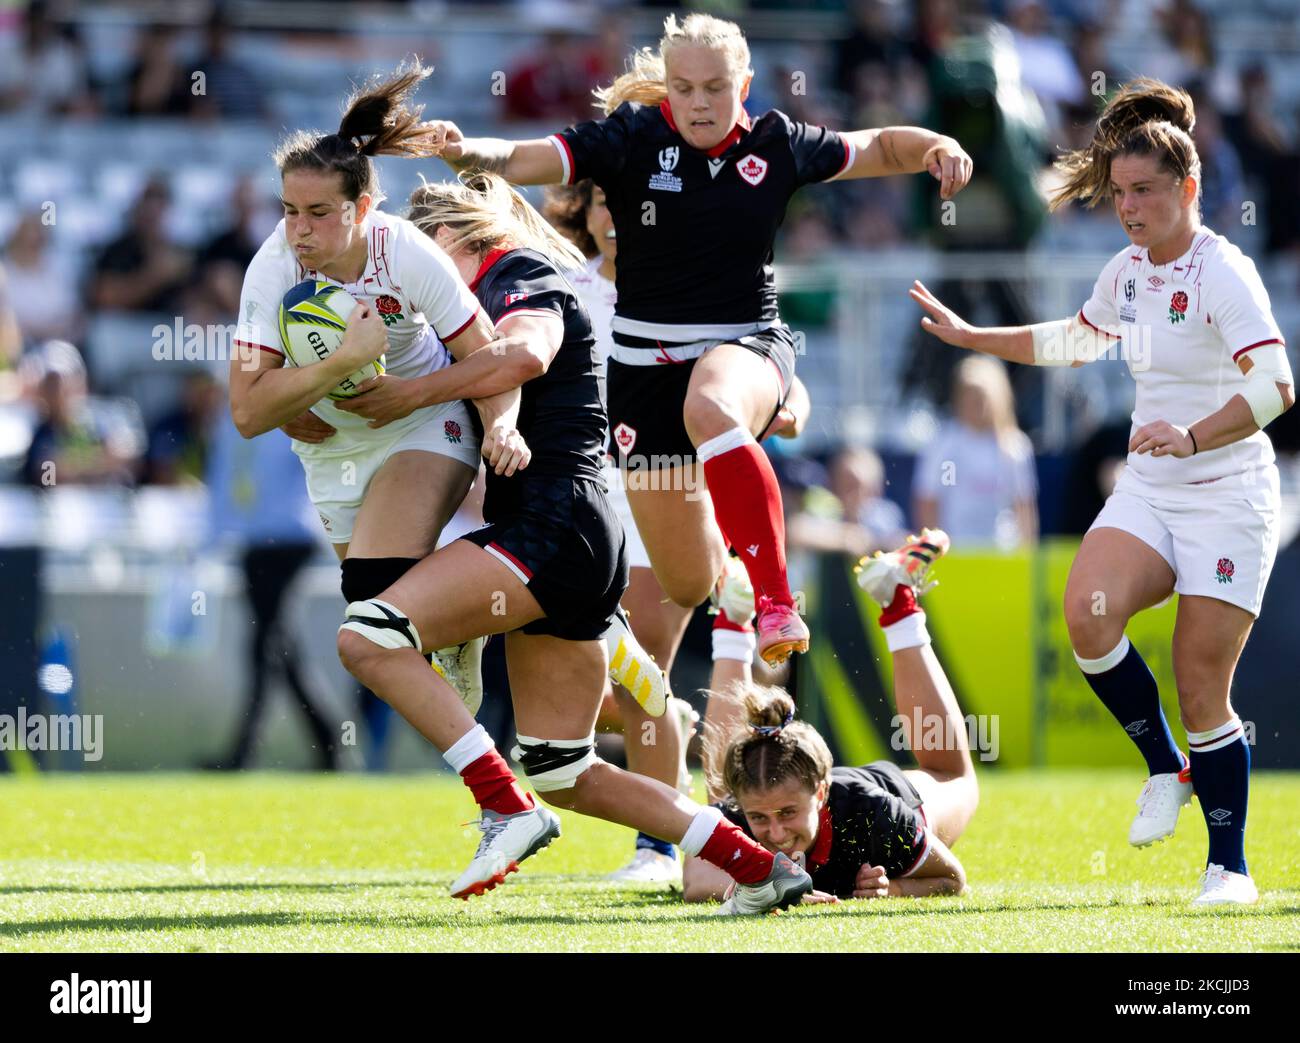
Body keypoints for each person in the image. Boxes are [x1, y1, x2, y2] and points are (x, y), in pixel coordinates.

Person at [401, 12, 972, 667]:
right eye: (684, 87)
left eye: (715, 86)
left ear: (746, 83)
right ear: (667, 87)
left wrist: (936, 143)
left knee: (713, 406)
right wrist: (468, 150)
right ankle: (730, 587)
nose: (699, 102)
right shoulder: (631, 139)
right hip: (644, 376)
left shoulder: (777, 143)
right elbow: (532, 156)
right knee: (684, 584)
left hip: (746, 343)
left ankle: (775, 600)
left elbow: (877, 147)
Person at [335, 171, 816, 914]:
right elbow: (493, 376)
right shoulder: (474, 301)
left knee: (367, 635)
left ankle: (502, 800)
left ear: (458, 237)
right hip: (569, 535)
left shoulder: (520, 273)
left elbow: (523, 353)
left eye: (418, 251)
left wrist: (406, 395)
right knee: (562, 767)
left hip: (556, 527)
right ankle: (757, 866)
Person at [909, 79, 1295, 905]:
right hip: (1155, 485)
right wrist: (976, 336)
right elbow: (1074, 340)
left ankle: (1229, 868)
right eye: (1119, 193)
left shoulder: (1225, 270)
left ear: (1187, 189)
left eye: (1145, 191)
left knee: (1201, 684)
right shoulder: (1125, 271)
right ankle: (1166, 766)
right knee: (1086, 610)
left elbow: (1275, 386)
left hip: (1230, 492)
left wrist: (1193, 435)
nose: (1129, 206)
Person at [228, 64, 517, 706]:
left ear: (361, 208)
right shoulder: (271, 266)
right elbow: (247, 411)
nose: (299, 230)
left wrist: (499, 424)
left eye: (319, 214)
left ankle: (467, 618)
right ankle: (459, 628)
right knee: (372, 615)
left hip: (423, 421)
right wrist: (329, 371)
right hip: (332, 447)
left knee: (376, 577)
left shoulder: (406, 251)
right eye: (289, 211)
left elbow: (489, 357)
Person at [684, 529, 975, 902]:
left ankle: (899, 601)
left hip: (893, 789)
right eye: (759, 818)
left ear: (821, 793)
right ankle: (734, 612)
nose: (775, 833)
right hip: (781, 789)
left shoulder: (875, 813)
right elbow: (695, 884)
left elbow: (953, 879)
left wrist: (894, 888)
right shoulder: (740, 811)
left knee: (955, 776)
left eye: (788, 812)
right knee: (721, 794)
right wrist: (772, 890)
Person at [913, 356, 1038, 549]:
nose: (975, 403)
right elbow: (929, 500)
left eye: (981, 396)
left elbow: (1023, 505)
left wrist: (1027, 551)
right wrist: (933, 550)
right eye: (968, 395)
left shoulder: (1014, 446)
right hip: (956, 551)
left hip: (1003, 553)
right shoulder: (944, 444)